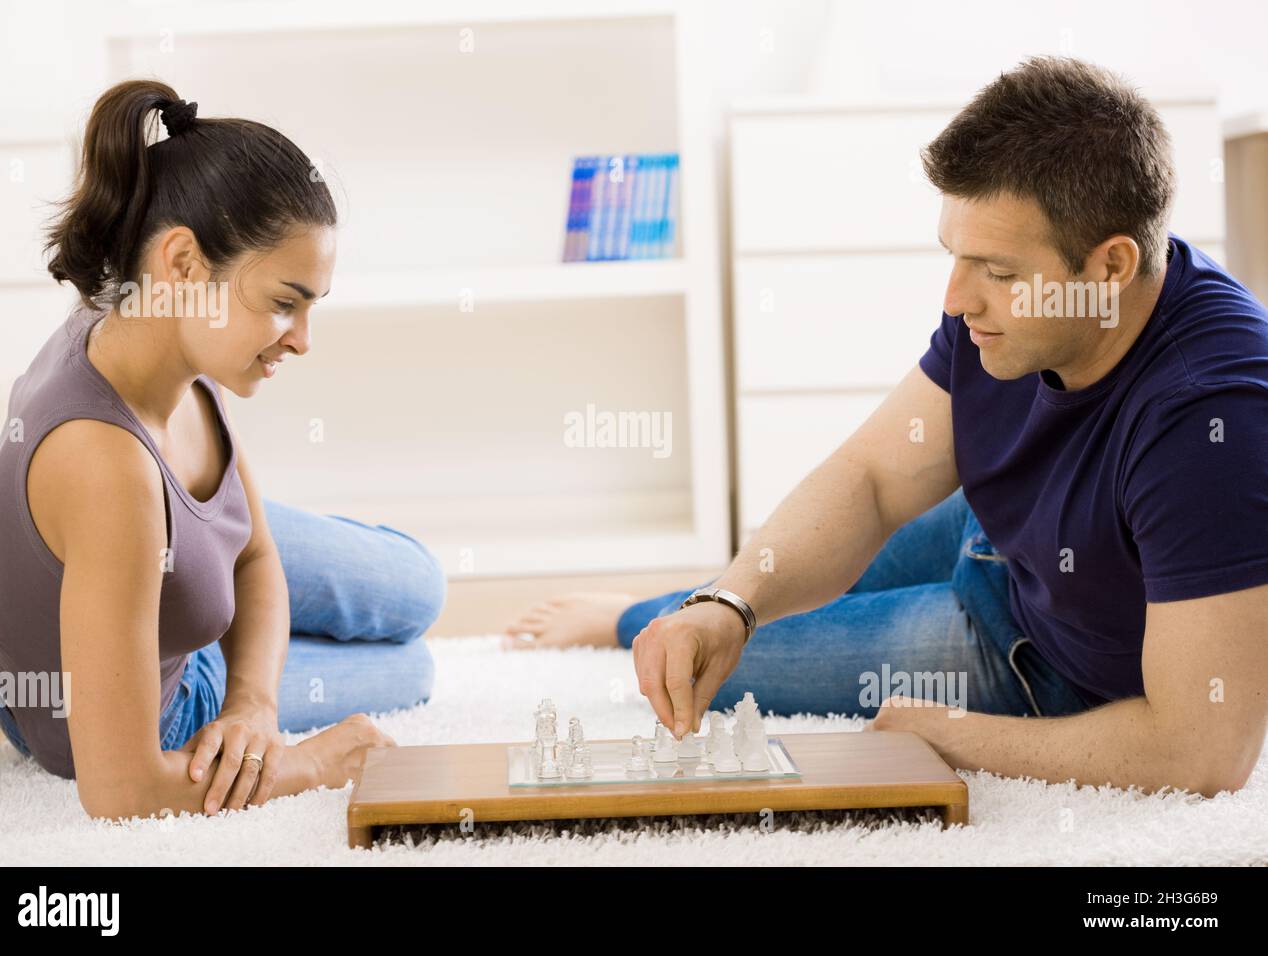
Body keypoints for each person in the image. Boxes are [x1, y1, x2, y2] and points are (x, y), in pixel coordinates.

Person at [502, 57, 1268, 798]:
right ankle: (671, 604)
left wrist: (952, 735)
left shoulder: (1213, 422)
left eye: (998, 273)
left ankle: (624, 616)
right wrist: (730, 602)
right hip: (999, 524)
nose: (958, 298)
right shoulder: (1003, 317)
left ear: (1109, 268)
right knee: (726, 617)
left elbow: (1200, 751)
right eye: (954, 256)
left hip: (1037, 652)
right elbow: (870, 480)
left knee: (735, 666)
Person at [0, 80, 446, 820]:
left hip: (150, 574)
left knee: (417, 587)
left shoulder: (147, 323)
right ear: (184, 262)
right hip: (131, 700)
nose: (302, 339)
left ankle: (197, 576)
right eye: (284, 303)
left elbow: (253, 554)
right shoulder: (106, 466)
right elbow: (122, 792)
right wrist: (316, 761)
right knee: (411, 665)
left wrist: (255, 705)